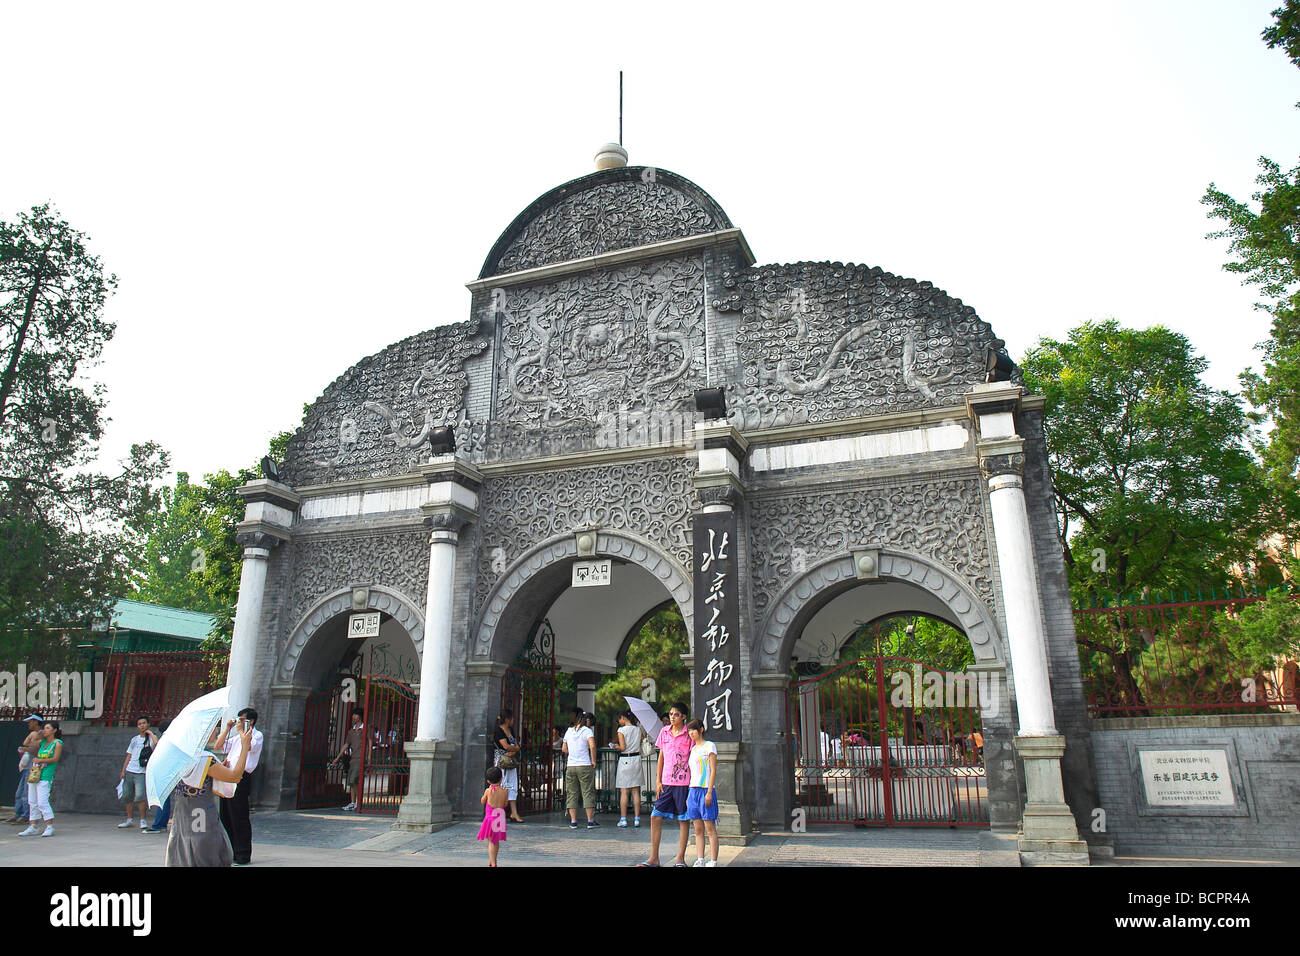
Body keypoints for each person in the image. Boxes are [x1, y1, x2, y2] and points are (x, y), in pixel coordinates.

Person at [165, 718, 252, 867]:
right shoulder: (205, 759)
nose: (216, 730)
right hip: (201, 813)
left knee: (184, 847)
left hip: (183, 812)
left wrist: (220, 769)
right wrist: (245, 746)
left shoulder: (181, 756)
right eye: (213, 728)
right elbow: (235, 777)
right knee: (205, 849)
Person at [638, 702, 692, 867]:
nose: (672, 717)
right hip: (666, 782)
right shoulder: (664, 732)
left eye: (676, 714)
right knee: (655, 816)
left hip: (683, 783)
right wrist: (658, 780)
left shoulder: (689, 735)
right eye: (670, 714)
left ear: (683, 717)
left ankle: (680, 859)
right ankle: (654, 858)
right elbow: (661, 757)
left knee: (683, 819)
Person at [217, 707, 264, 865]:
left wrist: (241, 731)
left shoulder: (257, 735)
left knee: (239, 816)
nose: (239, 723)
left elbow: (248, 746)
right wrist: (228, 728)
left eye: (241, 720)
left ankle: (242, 854)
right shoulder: (237, 737)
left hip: (242, 777)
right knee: (226, 814)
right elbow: (219, 745)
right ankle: (229, 850)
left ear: (250, 721)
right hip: (228, 776)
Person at [683, 719, 719, 867]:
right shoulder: (693, 749)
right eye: (689, 730)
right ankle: (700, 859)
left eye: (694, 730)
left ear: (701, 730)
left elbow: (713, 771)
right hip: (693, 790)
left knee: (709, 827)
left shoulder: (710, 746)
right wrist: (689, 795)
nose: (691, 733)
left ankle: (714, 860)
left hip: (705, 789)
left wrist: (709, 792)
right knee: (698, 829)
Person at [18, 722, 62, 837]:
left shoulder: (57, 743)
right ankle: (33, 826)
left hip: (45, 775)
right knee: (32, 801)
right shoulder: (42, 742)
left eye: (48, 728)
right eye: (44, 728)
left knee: (42, 802)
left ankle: (49, 826)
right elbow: (27, 743)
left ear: (54, 730)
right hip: (35, 774)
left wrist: (41, 761)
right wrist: (34, 734)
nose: (45, 730)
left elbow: (55, 758)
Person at [118, 717, 159, 830]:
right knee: (127, 796)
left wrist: (150, 733)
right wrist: (123, 770)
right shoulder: (134, 739)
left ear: (148, 724)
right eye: (139, 724)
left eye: (144, 723)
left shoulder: (150, 739)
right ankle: (129, 819)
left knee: (140, 796)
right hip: (130, 770)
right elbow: (129, 755)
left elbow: (157, 744)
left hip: (141, 772)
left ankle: (143, 819)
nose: (141, 725)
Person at [561, 708, 597, 829]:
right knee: (587, 792)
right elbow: (592, 746)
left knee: (572, 793)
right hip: (584, 765)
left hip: (571, 765)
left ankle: (573, 821)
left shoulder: (569, 731)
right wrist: (593, 760)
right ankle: (590, 821)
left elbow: (564, 749)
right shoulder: (587, 731)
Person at [492, 709, 526, 823]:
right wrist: (515, 749)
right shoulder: (499, 730)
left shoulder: (510, 730)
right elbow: (505, 746)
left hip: (510, 760)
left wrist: (514, 750)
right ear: (507, 719)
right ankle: (499, 811)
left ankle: (514, 812)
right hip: (501, 761)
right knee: (501, 784)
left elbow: (515, 745)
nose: (513, 720)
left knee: (512, 785)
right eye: (512, 718)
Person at [6, 715, 41, 824]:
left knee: (26, 793)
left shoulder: (40, 735)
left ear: (36, 722)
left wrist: (26, 748)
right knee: (19, 792)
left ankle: (25, 816)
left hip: (33, 768)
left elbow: (37, 750)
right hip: (27, 767)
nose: (29, 724)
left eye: (30, 722)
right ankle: (17, 814)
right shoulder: (33, 735)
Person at [330, 707, 365, 811]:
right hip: (353, 758)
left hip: (360, 757)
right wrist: (337, 757)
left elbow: (370, 741)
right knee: (351, 781)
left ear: (360, 716)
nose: (353, 717)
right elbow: (346, 744)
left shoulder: (365, 729)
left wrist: (367, 756)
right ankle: (353, 802)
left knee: (355, 779)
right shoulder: (351, 731)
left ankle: (357, 801)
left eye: (355, 715)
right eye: (353, 715)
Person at [612, 710, 642, 828]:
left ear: (623, 717)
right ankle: (637, 819)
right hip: (636, 759)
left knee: (624, 791)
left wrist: (616, 746)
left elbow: (623, 747)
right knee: (635, 791)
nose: (619, 722)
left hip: (625, 759)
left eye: (619, 720)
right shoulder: (638, 729)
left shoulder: (621, 730)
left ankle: (623, 819)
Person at [478, 766, 509, 867]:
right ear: (501, 778)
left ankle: (493, 863)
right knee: (496, 841)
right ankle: (493, 860)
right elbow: (505, 804)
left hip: (490, 818)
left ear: (488, 781)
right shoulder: (505, 791)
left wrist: (485, 796)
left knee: (491, 842)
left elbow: (482, 801)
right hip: (500, 818)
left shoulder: (488, 791)